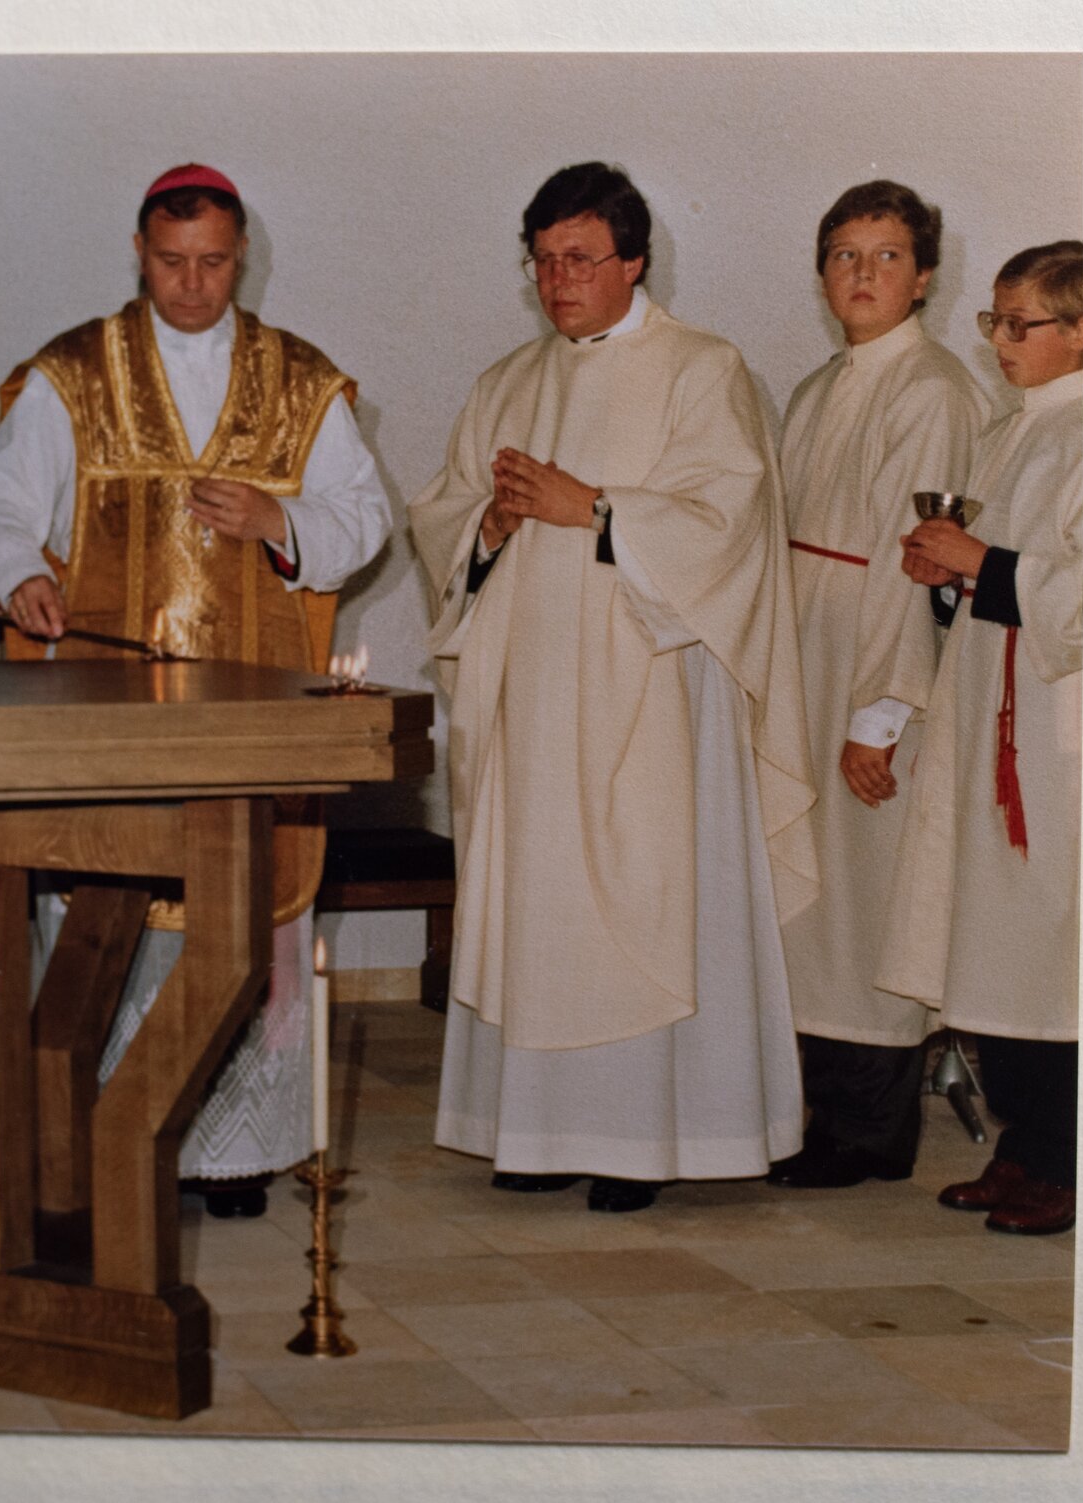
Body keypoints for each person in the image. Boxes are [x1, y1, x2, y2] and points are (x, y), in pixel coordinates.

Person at [0, 163, 389, 1213]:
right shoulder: (75, 374)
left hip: (252, 705)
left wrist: (279, 521)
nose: (192, 285)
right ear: (139, 255)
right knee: (113, 896)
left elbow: (366, 516)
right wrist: (16, 571)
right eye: (170, 262)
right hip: (110, 702)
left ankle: (233, 1158)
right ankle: (111, 1149)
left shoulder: (298, 382)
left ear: (242, 259)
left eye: (212, 263)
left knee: (244, 902)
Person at [409, 161, 817, 1214]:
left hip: (650, 693)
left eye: (580, 259)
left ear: (634, 262)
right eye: (543, 262)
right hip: (531, 696)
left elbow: (728, 522)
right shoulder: (507, 381)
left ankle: (640, 1141)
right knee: (538, 905)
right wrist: (489, 526)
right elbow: (443, 515)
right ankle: (540, 1131)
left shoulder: (702, 369)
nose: (559, 282)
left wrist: (592, 508)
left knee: (646, 900)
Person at [770, 182, 987, 1190]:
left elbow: (919, 566)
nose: (862, 275)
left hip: (870, 665)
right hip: (805, 655)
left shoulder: (931, 390)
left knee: (865, 894)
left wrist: (883, 713)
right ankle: (822, 1111)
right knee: (816, 903)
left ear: (925, 276)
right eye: (843, 256)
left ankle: (869, 1132)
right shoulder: (817, 388)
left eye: (886, 256)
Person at [881, 241, 1083, 1236]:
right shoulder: (1016, 426)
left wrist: (985, 564)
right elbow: (1000, 569)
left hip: (1061, 740)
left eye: (1020, 323)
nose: (1000, 340)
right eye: (993, 321)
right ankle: (1024, 1145)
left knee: (1049, 950)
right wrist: (951, 573)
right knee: (995, 942)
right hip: (996, 714)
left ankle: (1069, 1160)